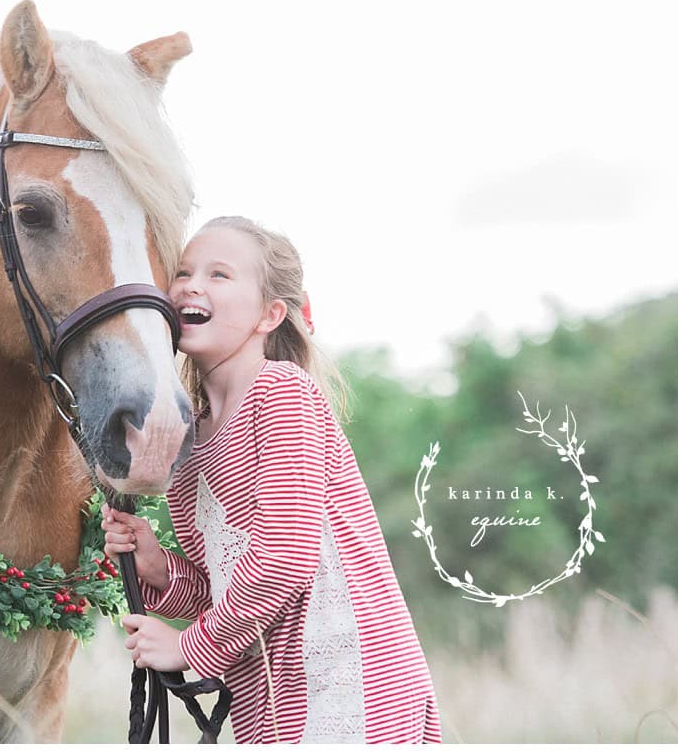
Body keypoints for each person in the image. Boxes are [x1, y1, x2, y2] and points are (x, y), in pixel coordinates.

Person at [103, 216, 443, 743]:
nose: (192, 285)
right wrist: (162, 570)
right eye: (185, 272)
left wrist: (187, 649)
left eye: (219, 275)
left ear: (271, 315)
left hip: (351, 683)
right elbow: (229, 593)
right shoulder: (189, 441)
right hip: (271, 707)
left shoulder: (280, 394)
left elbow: (285, 558)